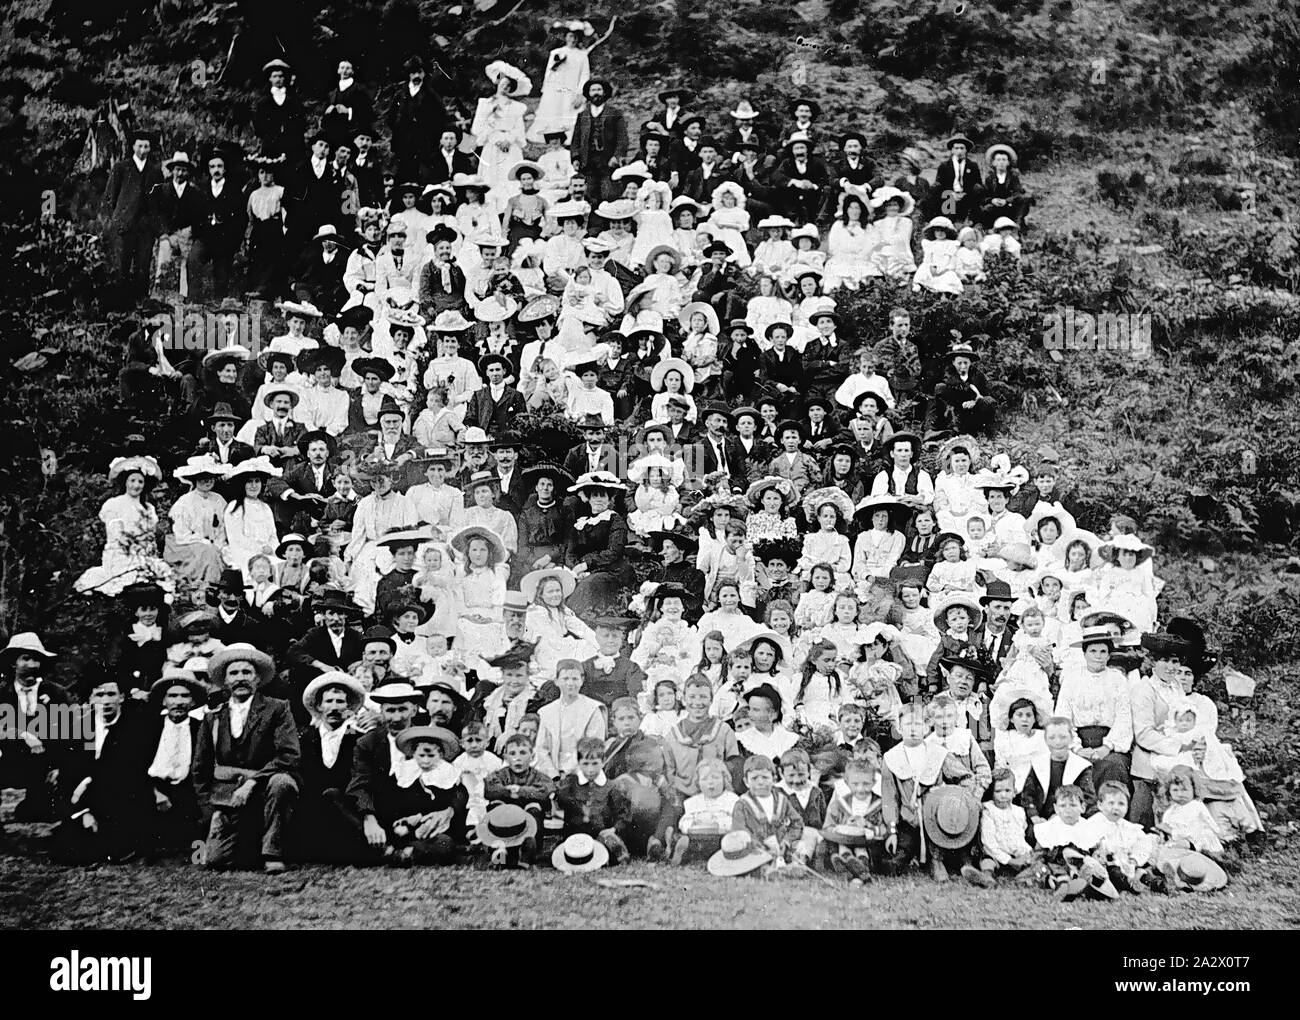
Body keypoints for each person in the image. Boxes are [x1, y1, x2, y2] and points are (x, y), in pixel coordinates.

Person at [192, 644, 300, 873]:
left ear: (258, 678)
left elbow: (288, 754)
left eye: (246, 672)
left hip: (267, 789)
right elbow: (200, 769)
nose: (240, 678)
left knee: (282, 782)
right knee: (214, 861)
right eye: (234, 673)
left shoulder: (277, 709)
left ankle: (273, 853)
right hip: (229, 797)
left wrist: (253, 782)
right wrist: (210, 810)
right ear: (225, 680)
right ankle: (247, 844)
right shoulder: (213, 717)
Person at [101, 127, 160, 299]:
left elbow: (158, 201)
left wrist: (154, 225)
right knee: (122, 266)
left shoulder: (154, 171)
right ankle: (122, 304)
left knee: (142, 266)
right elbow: (110, 196)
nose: (143, 151)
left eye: (146, 147)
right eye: (140, 146)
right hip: (124, 225)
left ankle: (141, 304)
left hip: (145, 227)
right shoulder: (121, 168)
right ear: (133, 147)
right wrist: (118, 219)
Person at [570, 79, 632, 204]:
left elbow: (622, 138)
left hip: (607, 160)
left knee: (608, 193)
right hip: (588, 160)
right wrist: (575, 157)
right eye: (593, 90)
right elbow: (576, 138)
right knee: (589, 194)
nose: (596, 93)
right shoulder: (582, 115)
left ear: (604, 93)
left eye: (599, 90)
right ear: (588, 93)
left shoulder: (615, 113)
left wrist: (617, 156)